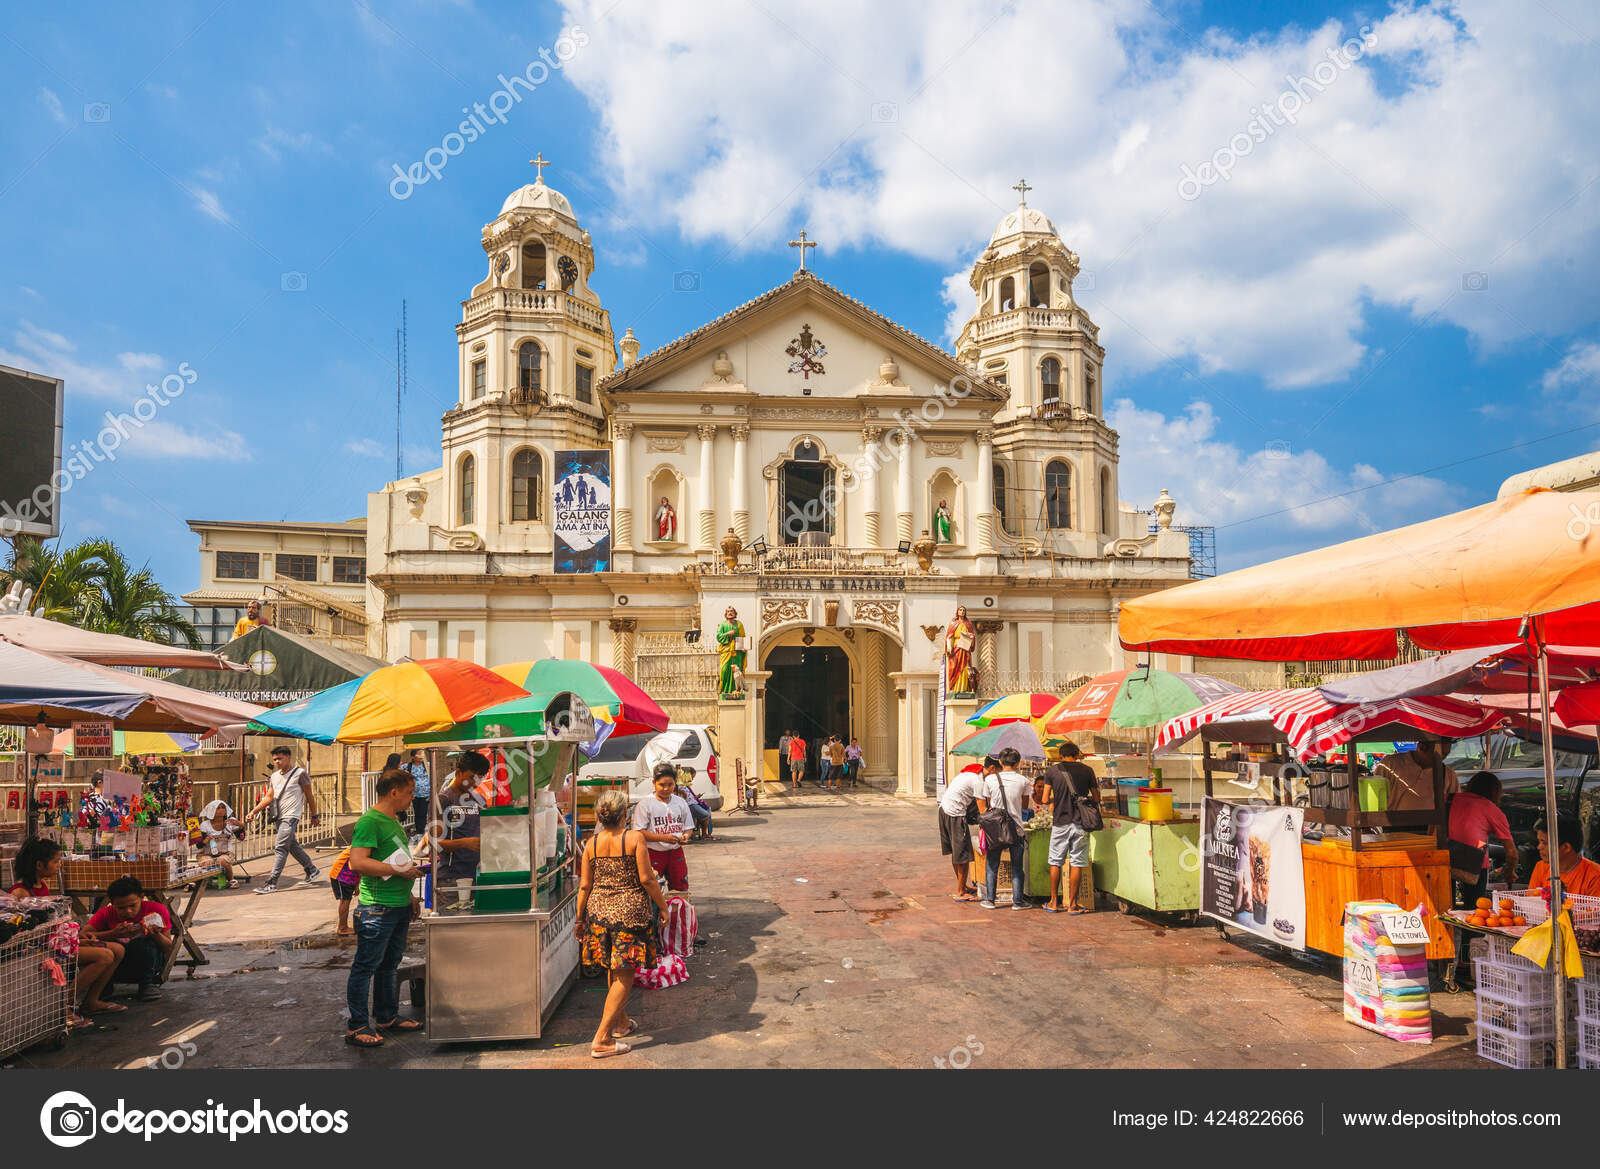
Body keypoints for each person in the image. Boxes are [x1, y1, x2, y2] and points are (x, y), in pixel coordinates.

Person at [575, 788, 670, 1058]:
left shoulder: (591, 843)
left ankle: (621, 1023)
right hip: (629, 915)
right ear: (624, 814)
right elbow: (647, 879)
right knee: (624, 975)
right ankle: (602, 1039)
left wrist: (579, 919)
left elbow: (584, 885)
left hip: (598, 914)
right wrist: (663, 907)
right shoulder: (634, 838)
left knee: (613, 968)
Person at [344, 768, 424, 1048]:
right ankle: (356, 1026)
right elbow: (358, 862)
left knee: (389, 965)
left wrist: (410, 896)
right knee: (365, 967)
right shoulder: (370, 821)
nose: (412, 798)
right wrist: (397, 871)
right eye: (410, 792)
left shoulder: (393, 821)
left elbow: (398, 862)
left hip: (398, 905)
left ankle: (387, 1016)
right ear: (394, 792)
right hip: (377, 909)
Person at [11, 837, 125, 1022]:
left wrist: (78, 938)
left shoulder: (41, 886)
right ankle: (63, 1006)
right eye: (56, 861)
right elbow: (29, 933)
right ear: (39, 865)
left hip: (54, 942)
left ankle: (91, 1001)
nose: (59, 865)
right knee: (104, 956)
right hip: (40, 950)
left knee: (118, 950)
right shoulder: (21, 893)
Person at [84, 875, 174, 1002]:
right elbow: (82, 936)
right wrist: (112, 934)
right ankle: (104, 986)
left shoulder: (155, 910)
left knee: (145, 945)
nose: (128, 911)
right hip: (116, 966)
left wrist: (154, 934)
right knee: (104, 947)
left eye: (133, 905)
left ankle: (147, 983)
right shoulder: (106, 913)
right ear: (112, 903)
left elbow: (168, 947)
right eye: (121, 908)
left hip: (148, 963)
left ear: (142, 897)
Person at [249, 745, 321, 894]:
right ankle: (311, 870)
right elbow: (269, 797)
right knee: (292, 845)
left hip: (292, 815)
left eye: (280, 758)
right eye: (275, 759)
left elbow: (309, 795)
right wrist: (254, 811)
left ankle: (272, 882)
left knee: (280, 847)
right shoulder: (275, 776)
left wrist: (314, 815)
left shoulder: (300, 773)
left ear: (288, 757)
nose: (277, 762)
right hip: (278, 816)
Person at [1040, 742, 1098, 915]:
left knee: (1055, 861)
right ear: (1077, 754)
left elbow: (1044, 799)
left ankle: (1053, 902)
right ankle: (1072, 905)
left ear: (1060, 755)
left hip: (1060, 822)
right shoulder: (1087, 770)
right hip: (1080, 822)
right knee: (1077, 863)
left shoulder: (1052, 771)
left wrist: (1056, 796)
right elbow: (1096, 797)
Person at [1448, 771, 1517, 905]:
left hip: (1445, 856)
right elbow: (1511, 852)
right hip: (1475, 860)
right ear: (1496, 792)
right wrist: (1509, 872)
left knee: (1445, 906)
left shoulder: (1447, 798)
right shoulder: (1490, 808)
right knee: (1475, 909)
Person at [976, 747, 1032, 910]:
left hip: (995, 829)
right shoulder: (1024, 781)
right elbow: (1025, 806)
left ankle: (990, 900)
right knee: (1017, 866)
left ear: (1000, 762)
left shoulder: (990, 780)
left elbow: (988, 803)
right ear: (1017, 763)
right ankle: (1017, 901)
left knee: (992, 863)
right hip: (1016, 829)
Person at [435, 750, 490, 902]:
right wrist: (465, 843)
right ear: (459, 772)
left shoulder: (480, 800)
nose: (475, 783)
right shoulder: (443, 800)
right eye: (471, 777)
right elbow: (435, 843)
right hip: (451, 881)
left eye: (479, 778)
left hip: (479, 877)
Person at [632, 761, 694, 893]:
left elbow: (688, 827)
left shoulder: (681, 803)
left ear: (675, 784)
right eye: (662, 785)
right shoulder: (645, 804)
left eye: (670, 785)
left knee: (680, 889)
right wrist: (662, 838)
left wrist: (686, 836)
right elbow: (638, 832)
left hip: (676, 852)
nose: (666, 788)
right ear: (654, 783)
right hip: (653, 853)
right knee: (652, 890)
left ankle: (677, 912)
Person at [938, 757, 988, 901]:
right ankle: (960, 891)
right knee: (963, 854)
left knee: (956, 852)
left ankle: (963, 886)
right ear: (992, 769)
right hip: (955, 814)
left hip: (944, 810)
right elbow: (982, 809)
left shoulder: (971, 772)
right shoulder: (978, 781)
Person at [1375, 736, 1459, 814]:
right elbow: (1375, 800)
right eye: (1441, 754)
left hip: (1432, 829)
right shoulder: (1389, 765)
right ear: (1422, 747)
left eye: (1445, 755)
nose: (1442, 759)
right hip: (1394, 828)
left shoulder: (1448, 774)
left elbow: (1455, 806)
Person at [1527, 811, 1600, 897]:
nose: (1539, 847)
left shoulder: (1595, 876)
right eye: (1539, 842)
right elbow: (1531, 902)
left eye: (1544, 843)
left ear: (1566, 847)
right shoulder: (1541, 867)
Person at [195, 799, 243, 887]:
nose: (221, 810)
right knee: (207, 862)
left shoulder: (230, 822)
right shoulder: (205, 825)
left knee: (222, 861)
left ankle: (231, 879)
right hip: (206, 853)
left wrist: (240, 825)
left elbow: (241, 837)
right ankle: (202, 883)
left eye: (223, 807)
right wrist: (205, 841)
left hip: (226, 853)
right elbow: (199, 845)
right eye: (218, 808)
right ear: (211, 811)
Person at [944, 605, 975, 695]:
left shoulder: (968, 624)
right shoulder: (953, 623)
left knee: (965, 667)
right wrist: (949, 646)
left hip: (965, 647)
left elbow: (972, 635)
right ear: (957, 612)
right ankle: (955, 688)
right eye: (960, 610)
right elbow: (949, 636)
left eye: (964, 610)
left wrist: (971, 637)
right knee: (955, 667)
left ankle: (964, 688)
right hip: (956, 647)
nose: (962, 612)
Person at [677, 766, 714, 840]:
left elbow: (688, 796)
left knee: (707, 810)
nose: (692, 779)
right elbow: (683, 796)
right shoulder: (680, 785)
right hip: (690, 805)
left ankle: (703, 832)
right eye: (692, 777)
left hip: (693, 803)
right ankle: (704, 834)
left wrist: (696, 797)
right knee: (706, 815)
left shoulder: (685, 785)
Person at [716, 606, 746, 696]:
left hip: (737, 651)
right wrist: (727, 634)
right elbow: (718, 636)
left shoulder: (739, 624)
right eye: (728, 611)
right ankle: (724, 690)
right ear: (726, 614)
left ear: (735, 613)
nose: (730, 613)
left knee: (737, 670)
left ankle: (736, 689)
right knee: (724, 670)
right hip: (726, 651)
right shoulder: (722, 625)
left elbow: (742, 637)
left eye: (732, 611)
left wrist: (743, 647)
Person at [328, 846, 357, 936]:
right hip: (341, 875)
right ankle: (342, 928)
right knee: (345, 901)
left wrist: (356, 885)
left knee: (346, 900)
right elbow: (355, 865)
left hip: (350, 876)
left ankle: (343, 926)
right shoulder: (361, 844)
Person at [407, 749, 432, 832]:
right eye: (419, 754)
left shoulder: (428, 765)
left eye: (422, 754)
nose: (422, 756)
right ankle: (419, 831)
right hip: (414, 795)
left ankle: (421, 831)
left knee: (422, 813)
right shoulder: (408, 766)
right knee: (417, 813)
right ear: (412, 757)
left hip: (425, 794)